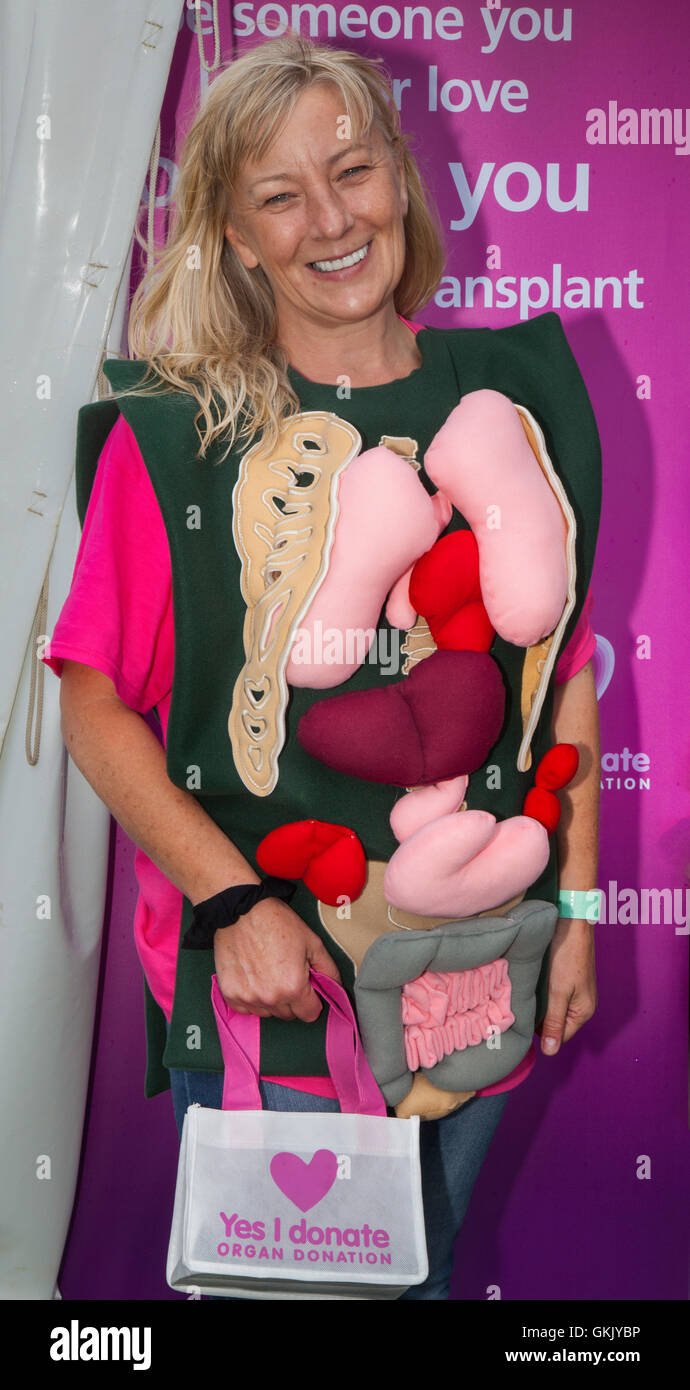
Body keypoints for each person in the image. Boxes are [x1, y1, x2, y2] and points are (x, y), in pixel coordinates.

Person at [43, 34, 601, 1300]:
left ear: (400, 180)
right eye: (280, 197)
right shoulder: (178, 434)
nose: (330, 221)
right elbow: (91, 702)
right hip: (275, 982)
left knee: (427, 1275)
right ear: (235, 235)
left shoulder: (503, 407)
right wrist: (231, 902)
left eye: (351, 172)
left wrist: (575, 913)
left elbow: (558, 677)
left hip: (477, 970)